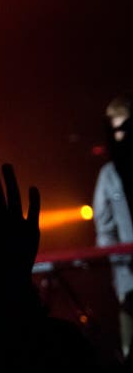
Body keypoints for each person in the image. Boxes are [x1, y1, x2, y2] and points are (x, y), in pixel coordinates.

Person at [93, 94, 133, 360]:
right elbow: (104, 229)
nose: (123, 136)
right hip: (130, 282)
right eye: (117, 130)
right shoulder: (109, 175)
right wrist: (121, 262)